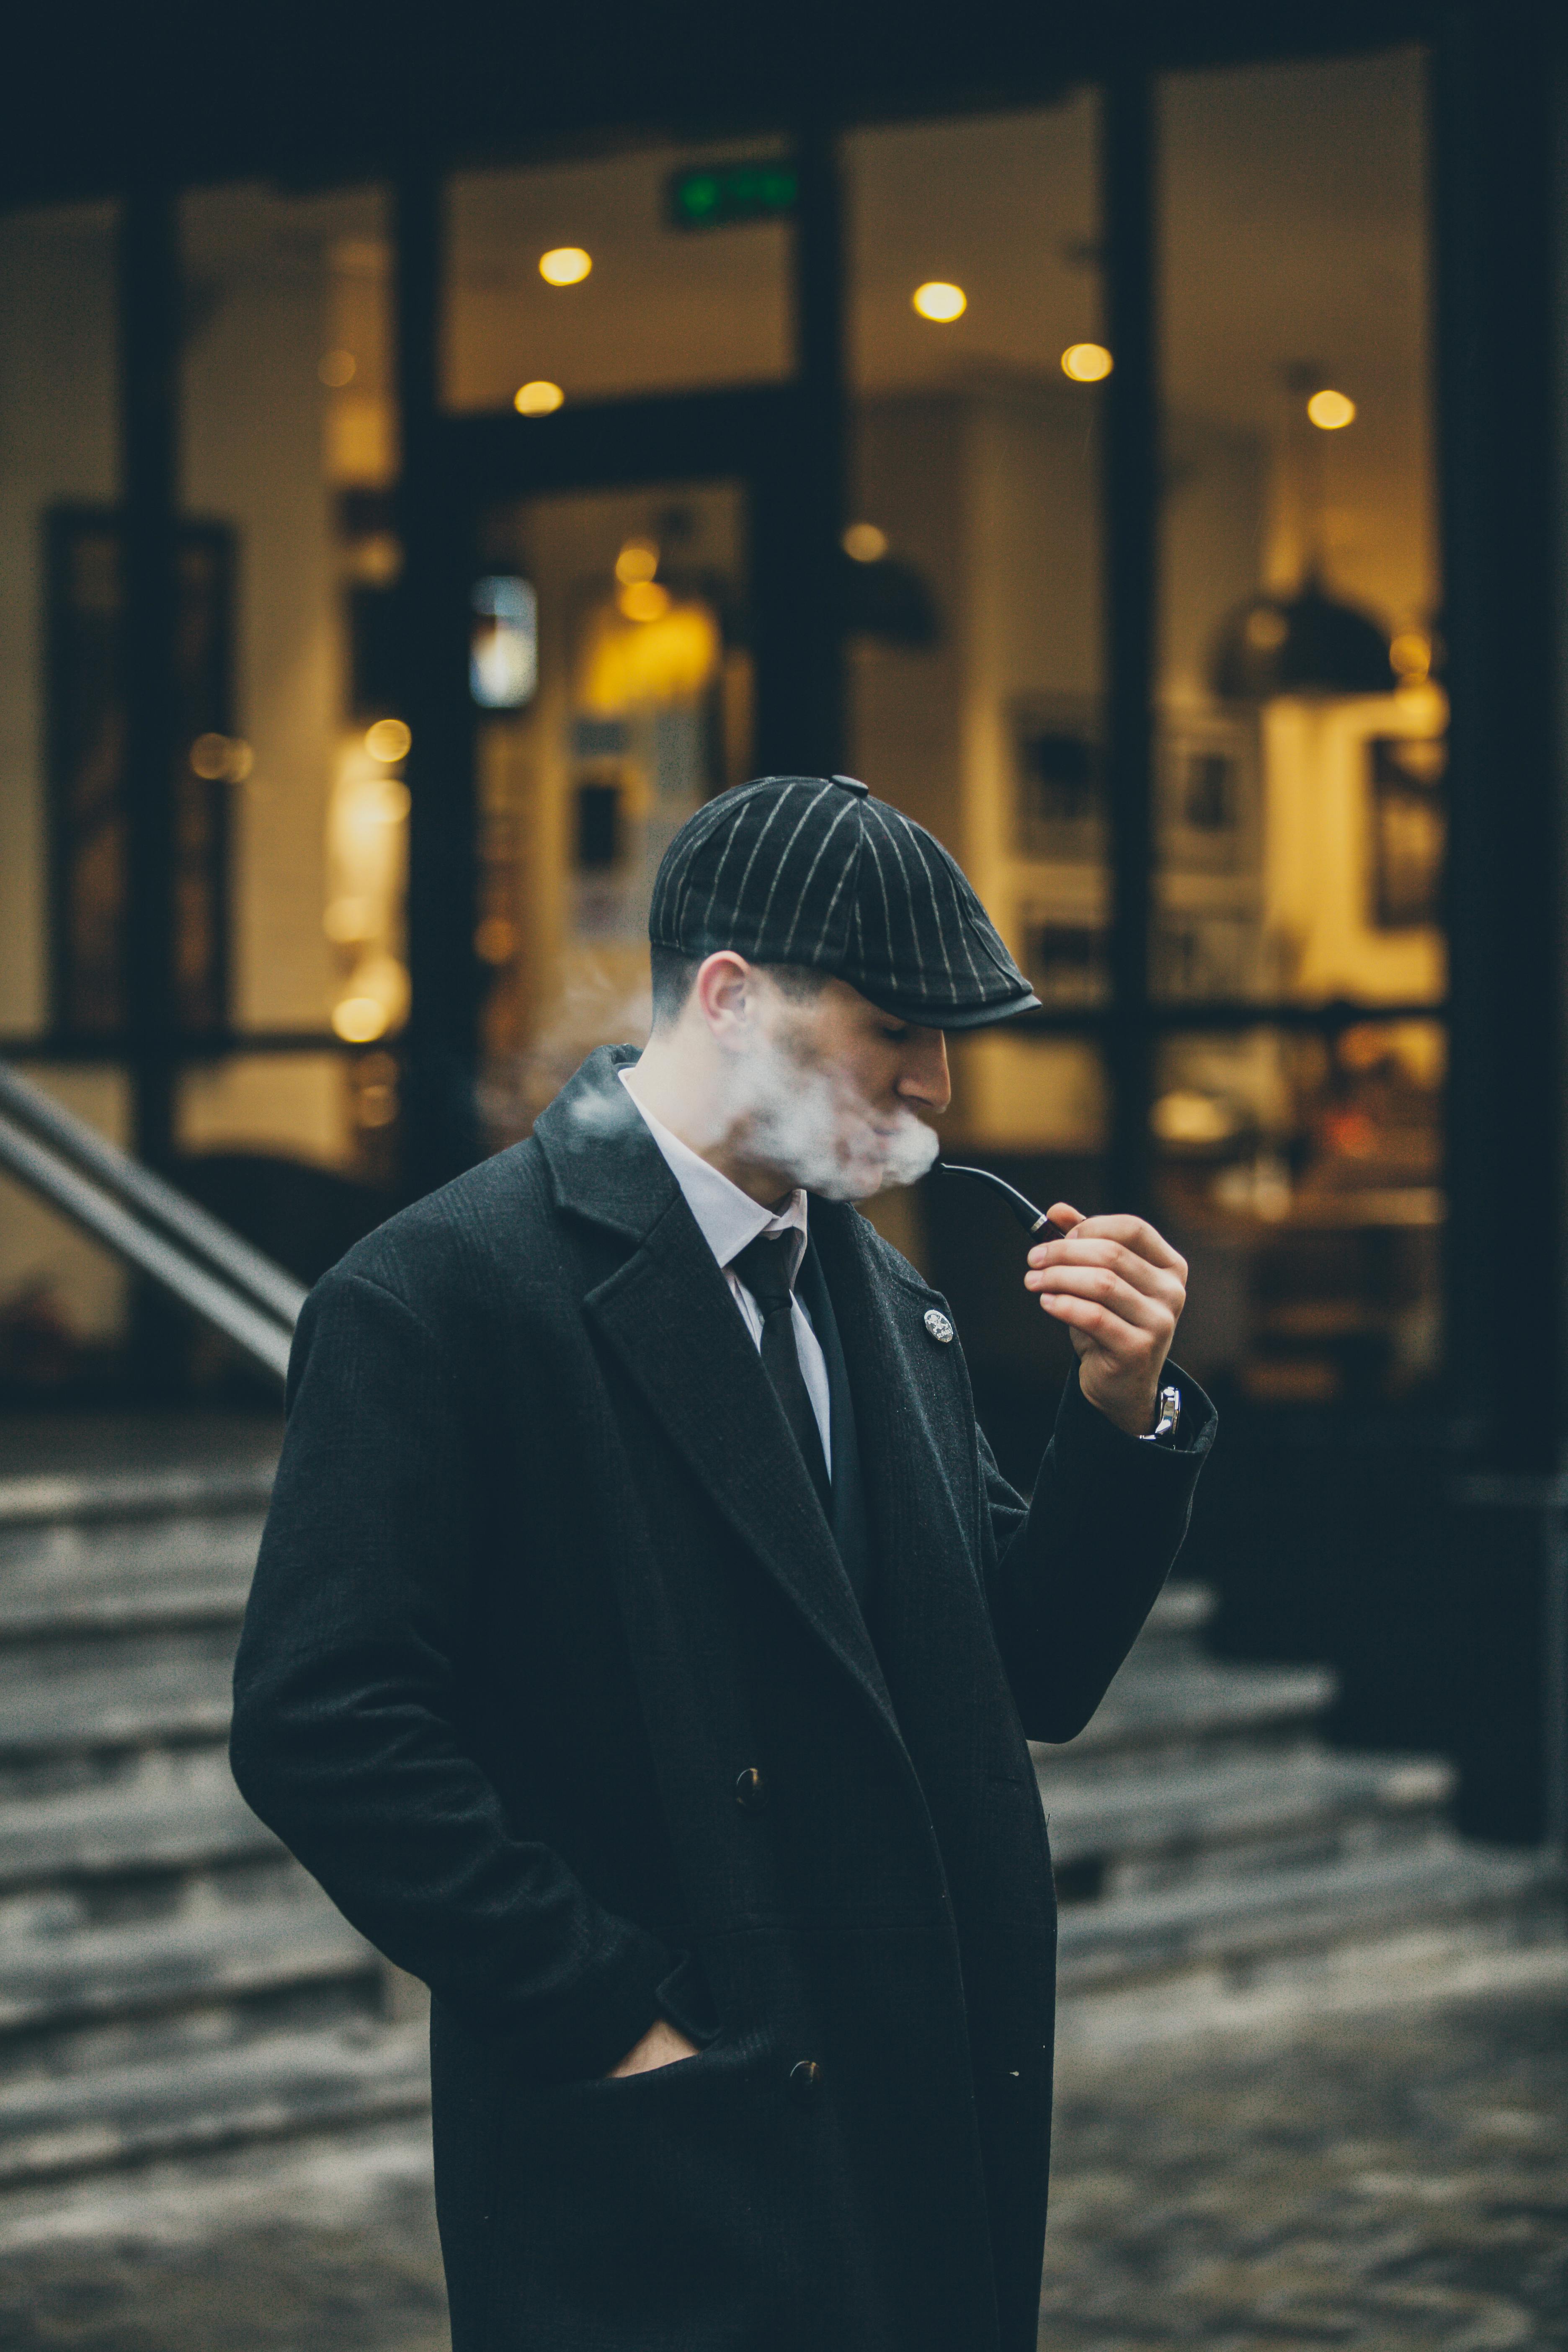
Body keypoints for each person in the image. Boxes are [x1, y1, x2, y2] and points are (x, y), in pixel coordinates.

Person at [230, 773, 1215, 2352]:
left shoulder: (885, 1297)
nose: (939, 1082)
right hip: (659, 2155)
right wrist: (607, 2013)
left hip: (912, 2127)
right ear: (733, 999)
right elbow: (321, 1724)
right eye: (897, 1027)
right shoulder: (438, 1294)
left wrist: (1120, 1413)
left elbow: (1025, 1674)